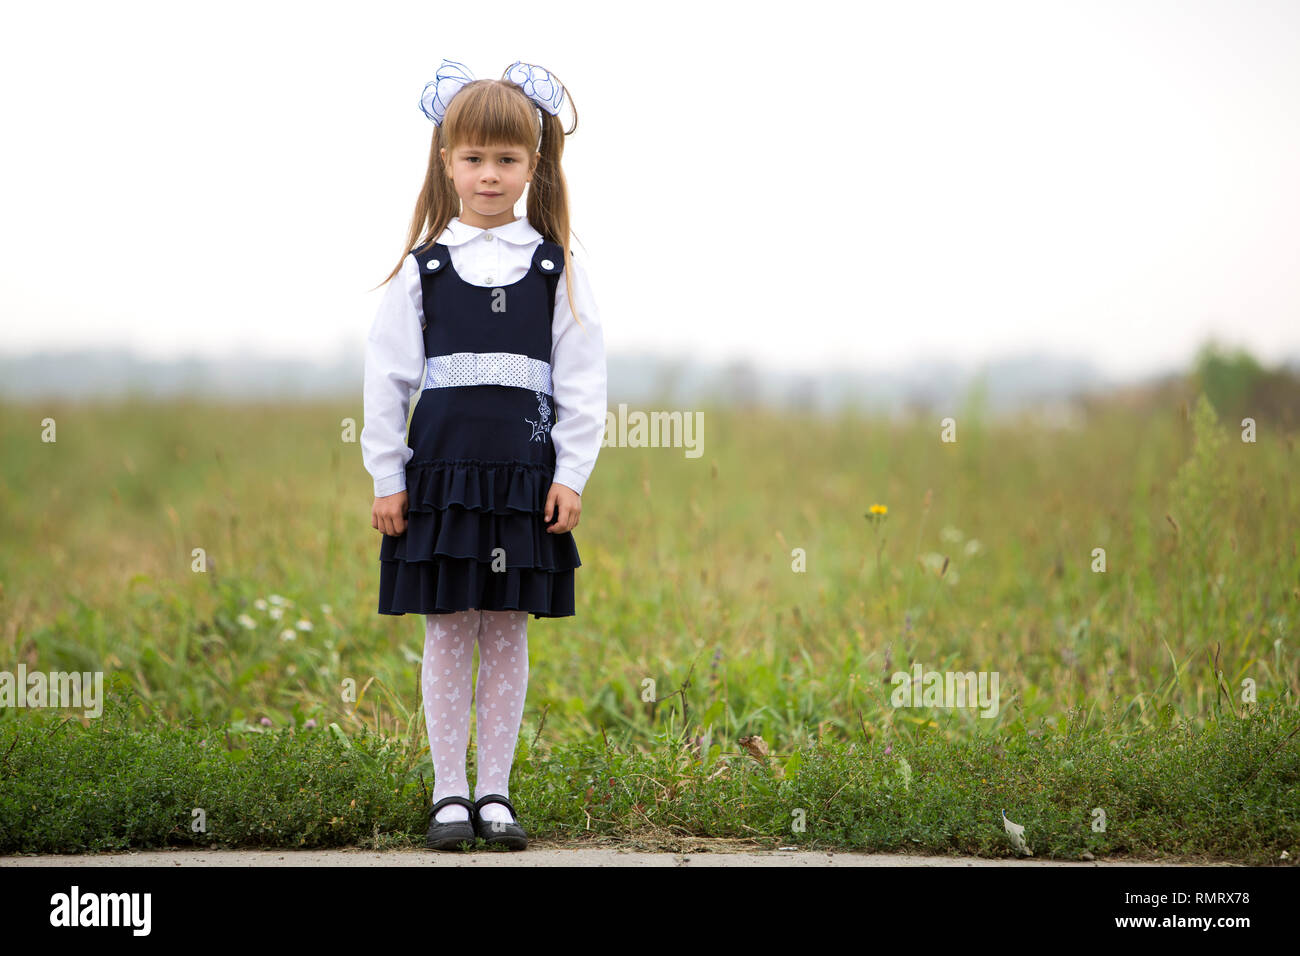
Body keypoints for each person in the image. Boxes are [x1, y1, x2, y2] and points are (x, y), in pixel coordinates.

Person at [360, 59, 607, 851]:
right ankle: (447, 794)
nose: (489, 175)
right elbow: (388, 378)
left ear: (532, 167)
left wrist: (571, 473)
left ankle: (496, 793)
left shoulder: (554, 268)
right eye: (473, 159)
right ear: (447, 162)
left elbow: (583, 380)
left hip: (523, 481)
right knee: (446, 628)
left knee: (506, 628)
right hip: (440, 479)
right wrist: (385, 477)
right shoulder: (422, 271)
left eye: (506, 160)